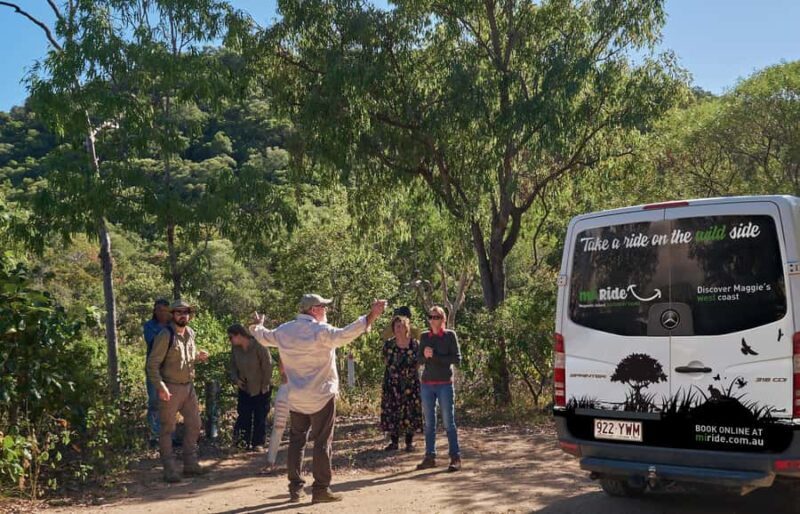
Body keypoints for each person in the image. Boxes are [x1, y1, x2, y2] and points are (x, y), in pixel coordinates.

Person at [250, 294, 387, 504]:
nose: (326, 310)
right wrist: (372, 315)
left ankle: (295, 489)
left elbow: (264, 337)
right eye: (323, 307)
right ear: (314, 310)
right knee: (323, 441)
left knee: (297, 440)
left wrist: (257, 326)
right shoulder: (321, 331)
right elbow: (346, 334)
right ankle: (321, 488)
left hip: (296, 396)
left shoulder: (285, 330)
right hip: (322, 395)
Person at [146, 299, 210, 482]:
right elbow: (152, 364)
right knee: (167, 429)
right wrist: (161, 387)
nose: (183, 315)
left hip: (188, 388)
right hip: (170, 388)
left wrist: (198, 357)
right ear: (172, 315)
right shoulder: (165, 335)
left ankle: (190, 464)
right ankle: (169, 469)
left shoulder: (190, 333)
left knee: (195, 424)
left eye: (186, 312)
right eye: (179, 312)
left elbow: (185, 358)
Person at [416, 305, 462, 472]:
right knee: (429, 423)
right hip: (427, 384)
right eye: (431, 316)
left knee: (449, 422)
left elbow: (457, 359)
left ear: (443, 319)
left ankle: (455, 457)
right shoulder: (424, 337)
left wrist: (435, 356)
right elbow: (418, 360)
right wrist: (424, 356)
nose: (433, 320)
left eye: (436, 317)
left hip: (444, 384)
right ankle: (430, 456)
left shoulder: (450, 336)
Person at [379, 315, 423, 452]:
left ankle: (409, 443)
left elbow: (419, 362)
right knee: (393, 410)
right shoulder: (389, 344)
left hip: (410, 383)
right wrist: (395, 375)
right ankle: (394, 442)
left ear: (407, 327)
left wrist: (407, 374)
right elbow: (386, 361)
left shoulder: (415, 344)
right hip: (392, 383)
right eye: (396, 326)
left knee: (410, 411)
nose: (399, 328)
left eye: (401, 325)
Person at [229, 323, 273, 451]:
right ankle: (241, 443)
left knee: (260, 415)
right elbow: (232, 366)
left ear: (239, 335)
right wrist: (236, 380)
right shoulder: (235, 349)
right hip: (244, 387)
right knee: (243, 415)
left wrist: (265, 384)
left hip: (261, 387)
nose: (230, 340)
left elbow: (268, 365)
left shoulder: (259, 345)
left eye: (231, 337)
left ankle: (258, 443)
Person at [142, 299, 172, 447]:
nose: (161, 312)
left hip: (171, 369)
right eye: (158, 309)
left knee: (169, 403)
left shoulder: (174, 326)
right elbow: (153, 342)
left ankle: (168, 436)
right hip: (154, 369)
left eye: (164, 310)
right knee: (154, 401)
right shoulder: (149, 326)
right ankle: (155, 435)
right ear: (154, 310)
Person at [263, 361, 290, 473]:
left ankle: (296, 464)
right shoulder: (286, 345)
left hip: (302, 391)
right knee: (278, 426)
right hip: (286, 389)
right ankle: (270, 461)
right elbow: (282, 368)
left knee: (302, 428)